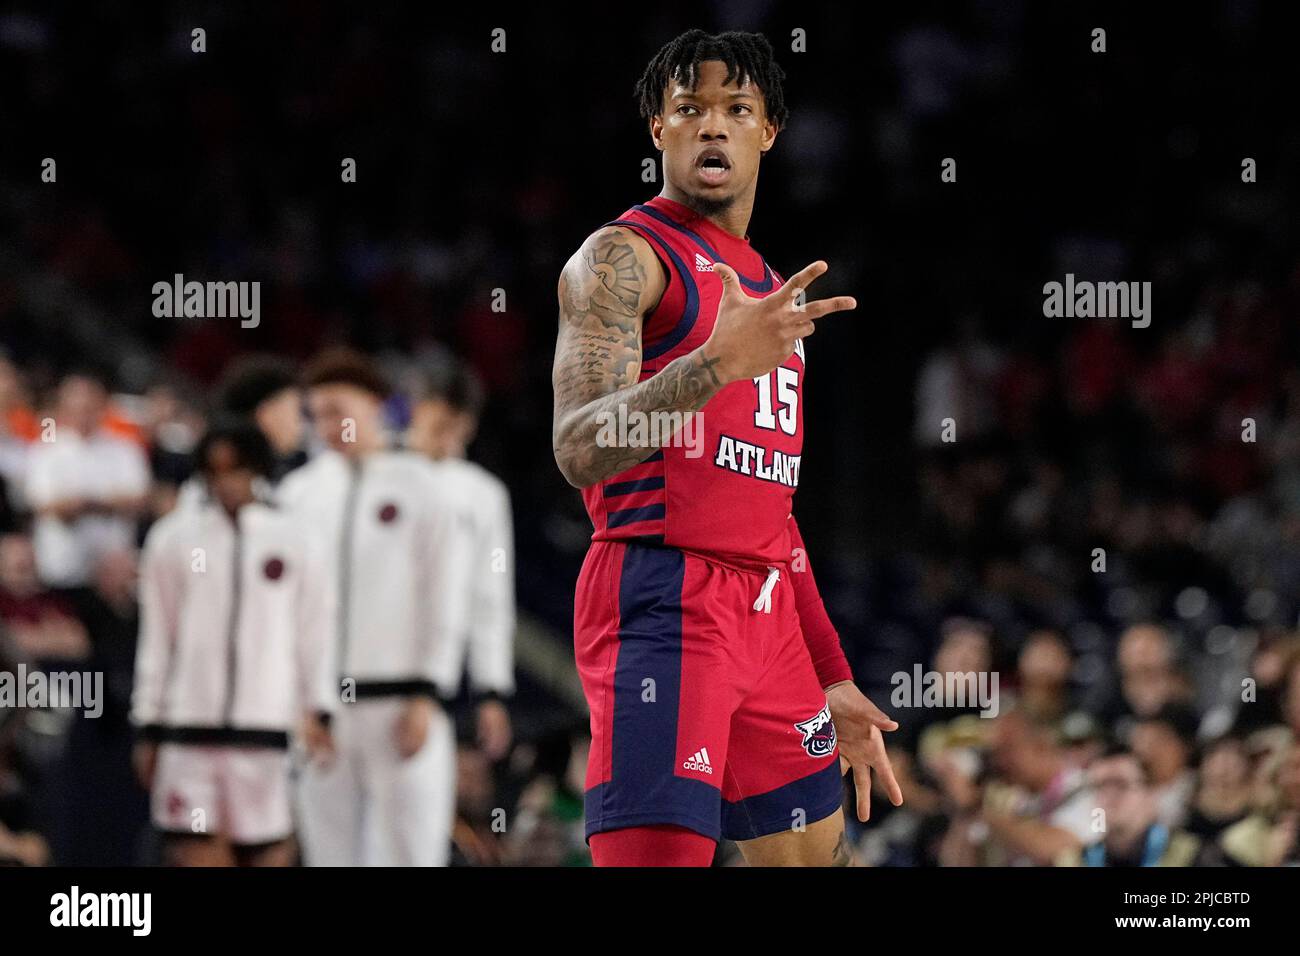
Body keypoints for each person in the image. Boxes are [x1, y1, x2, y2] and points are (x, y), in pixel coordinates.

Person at [550, 29, 899, 867]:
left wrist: (832, 672)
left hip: (767, 612)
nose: (713, 127)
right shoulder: (623, 258)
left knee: (821, 859)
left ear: (768, 130)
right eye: (689, 110)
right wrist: (713, 365)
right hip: (662, 595)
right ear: (657, 130)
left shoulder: (771, 293)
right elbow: (578, 446)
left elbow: (773, 511)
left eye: (736, 110)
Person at [280, 348, 467, 866]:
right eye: (315, 414)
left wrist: (428, 692)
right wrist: (297, 703)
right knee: (330, 858)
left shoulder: (422, 486)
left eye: (338, 410)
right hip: (324, 716)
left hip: (402, 705)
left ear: (377, 406)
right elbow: (288, 609)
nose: (327, 425)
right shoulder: (298, 495)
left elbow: (443, 594)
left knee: (412, 855)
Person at [131, 418, 334, 865]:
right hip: (188, 733)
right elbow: (158, 640)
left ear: (258, 468)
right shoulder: (174, 540)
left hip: (265, 733)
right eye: (215, 471)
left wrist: (317, 708)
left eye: (237, 469)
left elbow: (314, 632)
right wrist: (149, 721)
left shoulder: (297, 540)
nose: (226, 482)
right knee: (194, 850)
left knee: (267, 852)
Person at [406, 358, 514, 760]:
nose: (446, 438)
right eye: (438, 425)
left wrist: (491, 689)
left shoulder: (483, 496)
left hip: (438, 675)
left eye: (456, 428)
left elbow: (489, 596)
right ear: (417, 409)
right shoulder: (379, 475)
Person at [25, 370, 149, 590]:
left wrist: (84, 503)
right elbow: (46, 505)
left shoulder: (124, 448)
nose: (84, 415)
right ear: (63, 409)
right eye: (77, 409)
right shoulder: (46, 451)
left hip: (114, 572)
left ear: (103, 407)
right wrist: (107, 503)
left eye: (90, 408)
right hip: (63, 569)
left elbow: (139, 499)